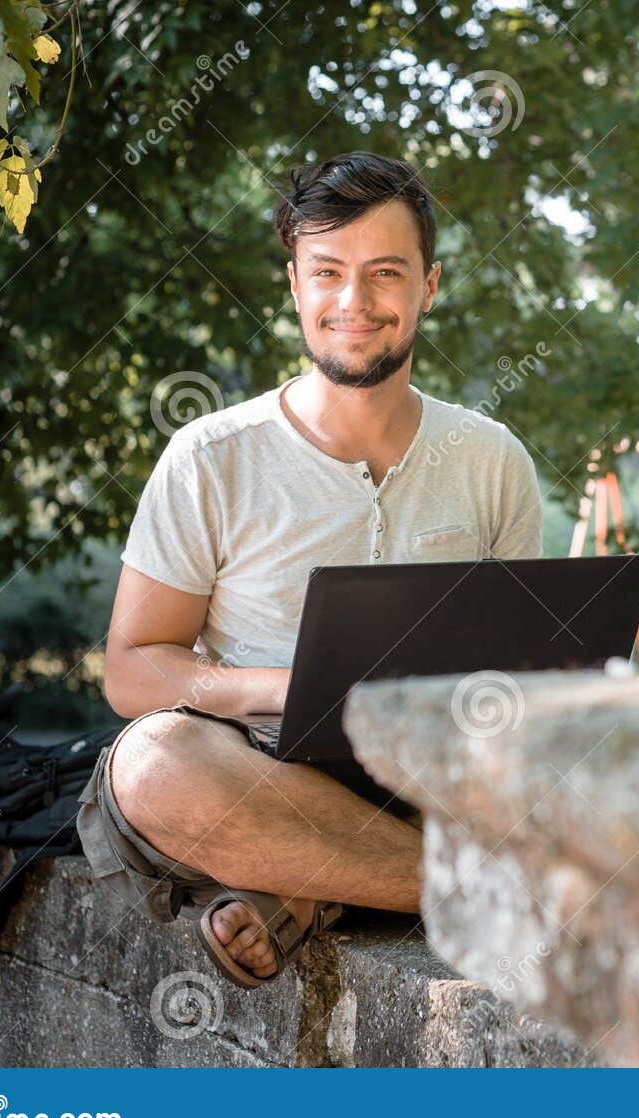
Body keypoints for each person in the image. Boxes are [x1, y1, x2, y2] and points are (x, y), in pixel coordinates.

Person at [76, 152, 543, 988]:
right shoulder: (209, 457)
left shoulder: (492, 459)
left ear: (429, 285)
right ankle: (475, 889)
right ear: (295, 285)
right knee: (151, 765)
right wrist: (277, 687)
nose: (353, 303)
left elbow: (521, 668)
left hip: (431, 773)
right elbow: (133, 668)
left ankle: (300, 890)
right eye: (326, 273)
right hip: (261, 764)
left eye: (385, 273)